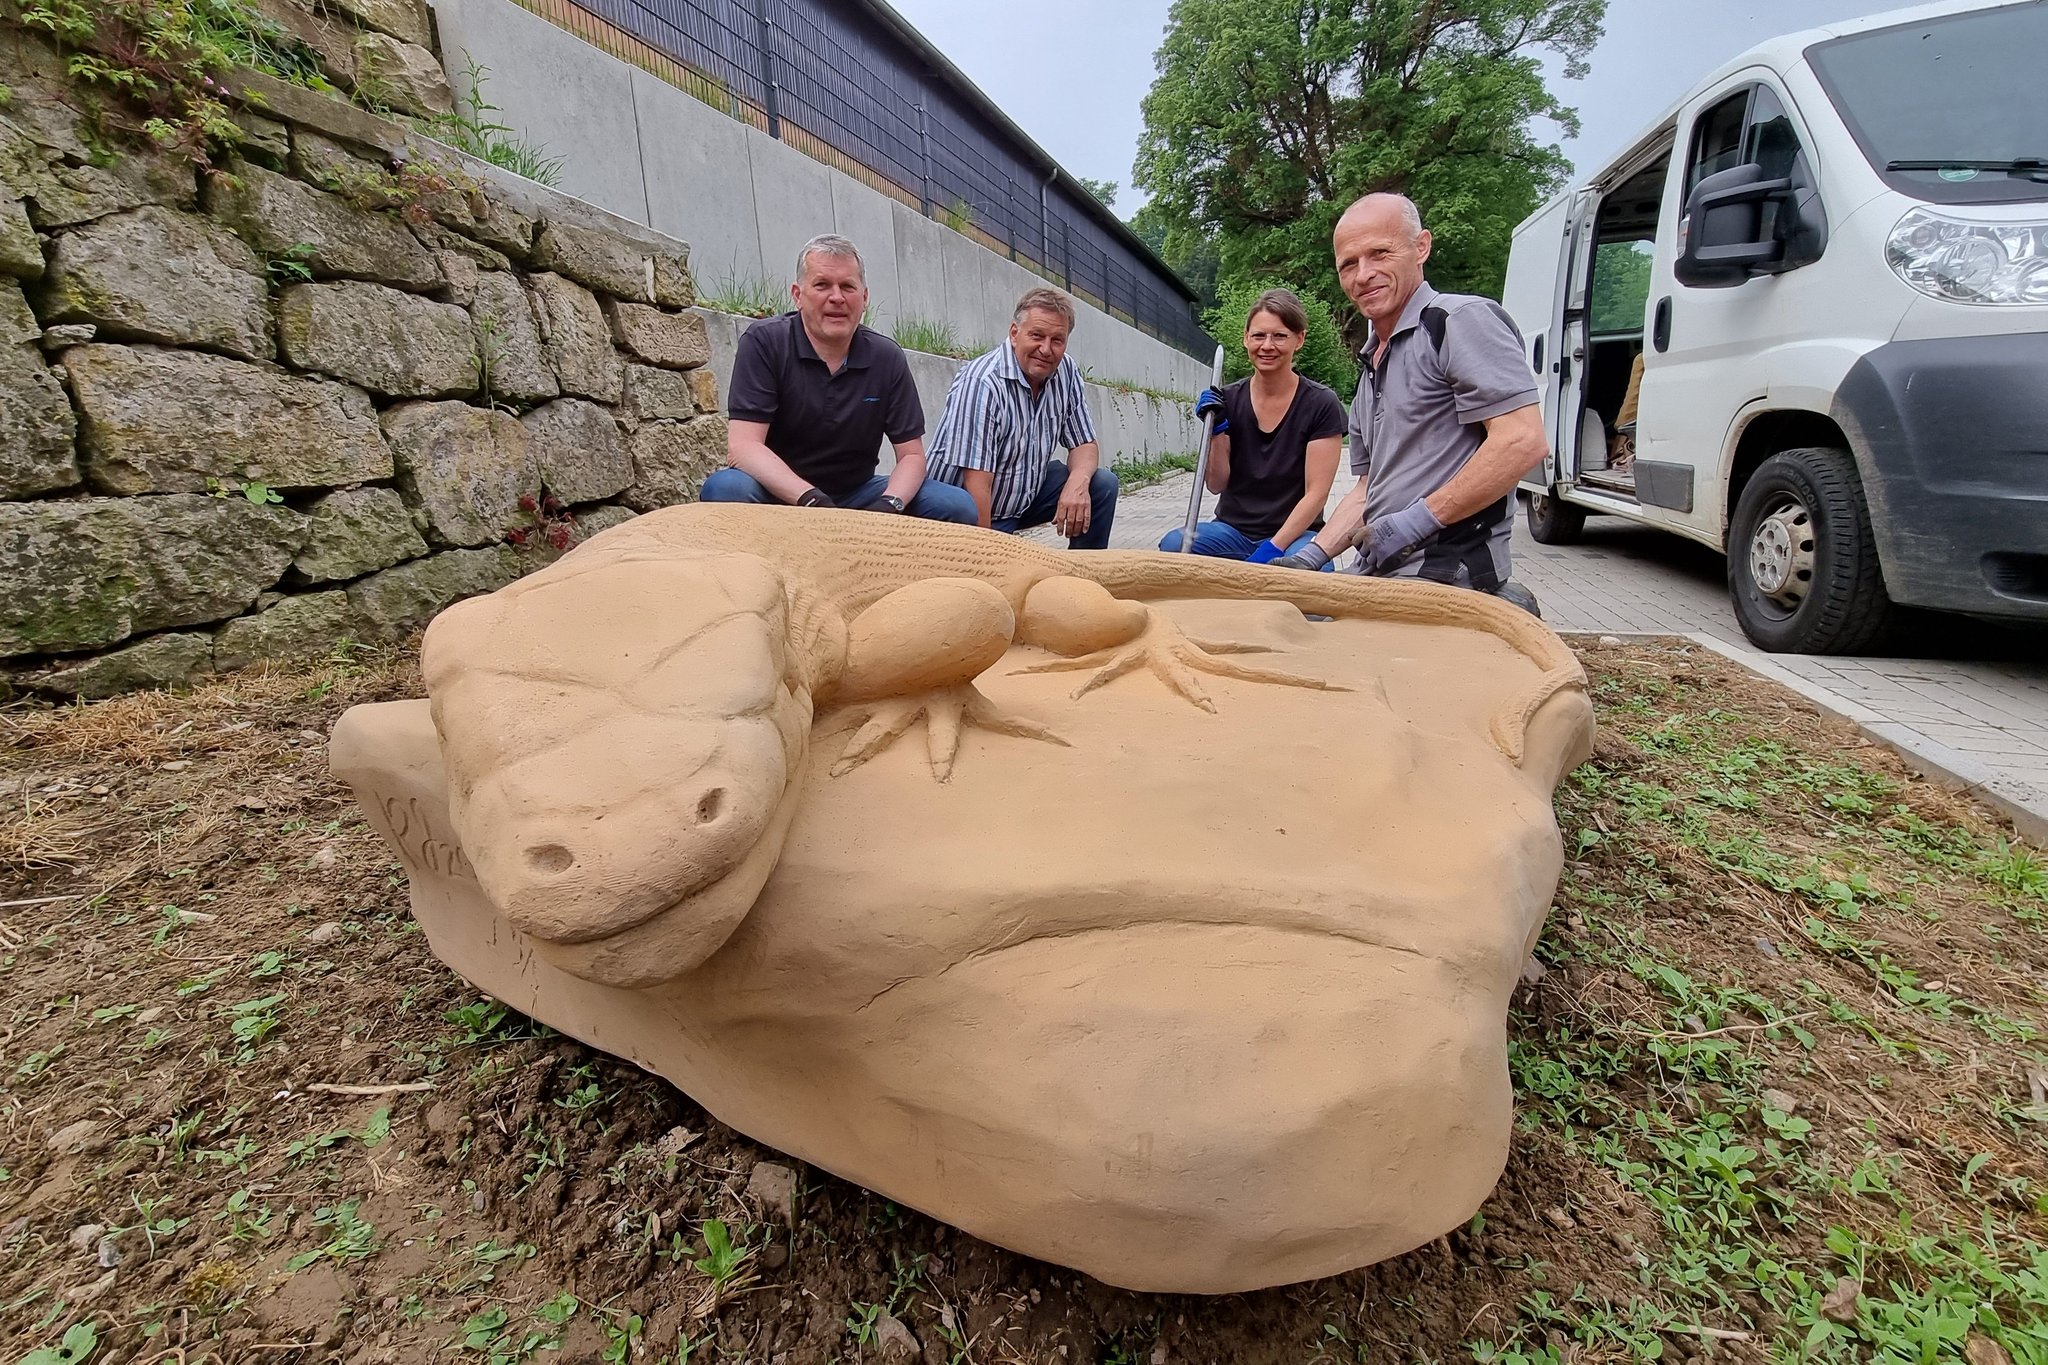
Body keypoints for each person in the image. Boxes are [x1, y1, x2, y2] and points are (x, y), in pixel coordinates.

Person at [1273, 194, 1547, 614]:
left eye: (1380, 253)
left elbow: (1522, 440)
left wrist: (1413, 523)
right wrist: (1310, 557)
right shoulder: (1370, 369)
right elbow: (1367, 490)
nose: (1364, 275)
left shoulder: (1456, 321)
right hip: (1382, 571)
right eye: (1349, 263)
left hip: (1447, 576)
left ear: (1421, 247)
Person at [702, 234, 976, 522]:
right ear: (798, 295)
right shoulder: (764, 343)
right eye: (822, 285)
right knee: (726, 488)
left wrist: (889, 505)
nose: (837, 298)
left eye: (848, 286)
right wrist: (811, 499)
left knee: (955, 505)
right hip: (779, 493)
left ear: (864, 297)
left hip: (859, 494)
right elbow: (743, 447)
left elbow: (912, 457)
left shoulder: (886, 357)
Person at [1156, 288, 1345, 565]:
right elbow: (1216, 484)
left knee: (1315, 567)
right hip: (1233, 533)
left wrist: (1272, 549)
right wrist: (1216, 429)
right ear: (1246, 339)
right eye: (1258, 335)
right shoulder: (1227, 400)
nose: (1267, 346)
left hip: (1294, 535)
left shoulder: (1321, 403)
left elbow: (1316, 495)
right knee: (1175, 544)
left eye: (1279, 336)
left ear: (1299, 339)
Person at [926, 287, 1118, 549]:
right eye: (1037, 336)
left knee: (1101, 485)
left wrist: (1078, 483)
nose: (1046, 349)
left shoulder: (1067, 372)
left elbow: (1085, 444)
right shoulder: (982, 382)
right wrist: (990, 554)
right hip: (962, 516)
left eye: (1057, 340)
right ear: (1014, 333)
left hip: (1018, 501)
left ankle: (1082, 579)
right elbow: (977, 484)